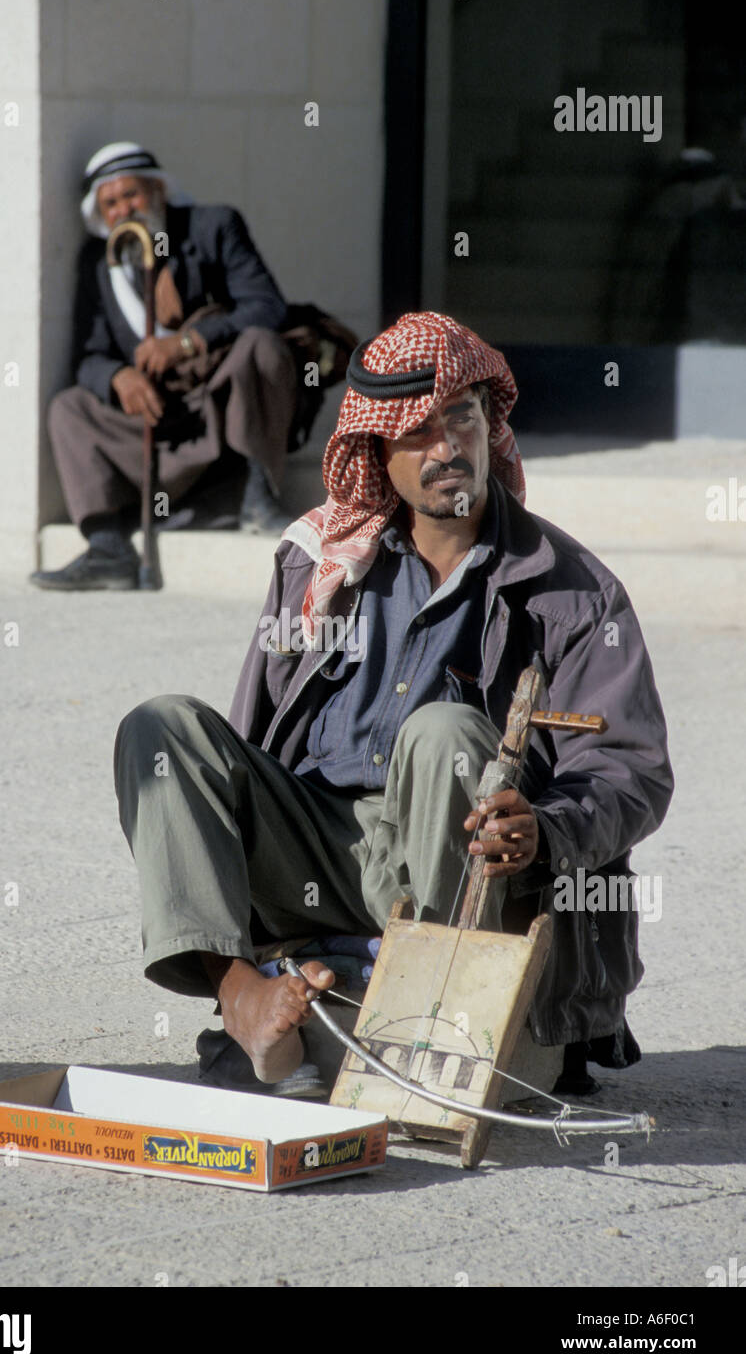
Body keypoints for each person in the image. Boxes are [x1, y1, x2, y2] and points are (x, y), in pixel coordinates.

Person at [114, 312, 674, 1094]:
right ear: (374, 449)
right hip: (323, 847)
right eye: (416, 431)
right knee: (164, 730)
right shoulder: (319, 565)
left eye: (463, 420)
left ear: (489, 426)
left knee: (443, 731)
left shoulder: (572, 590)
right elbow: (249, 749)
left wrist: (545, 832)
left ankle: (417, 1014)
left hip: (471, 877)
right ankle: (245, 998)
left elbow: (632, 774)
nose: (448, 448)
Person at [31, 142, 297, 591]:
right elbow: (88, 356)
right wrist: (118, 377)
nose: (123, 210)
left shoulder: (213, 227)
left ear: (157, 189)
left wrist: (188, 342)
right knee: (69, 408)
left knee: (262, 345)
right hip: (156, 416)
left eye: (131, 195)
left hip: (222, 398)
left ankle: (257, 495)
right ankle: (108, 546)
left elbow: (267, 306)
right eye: (110, 203)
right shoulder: (98, 262)